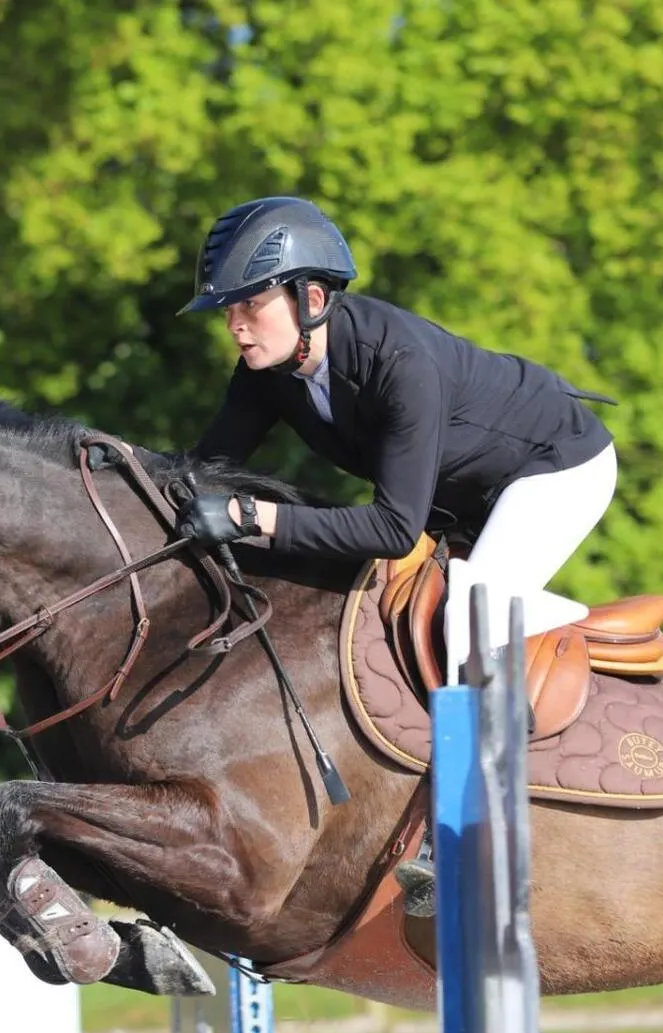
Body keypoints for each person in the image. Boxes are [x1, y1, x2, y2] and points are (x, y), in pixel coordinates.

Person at [176, 196, 618, 914]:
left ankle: (473, 834)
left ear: (311, 297)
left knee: (470, 612)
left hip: (556, 467)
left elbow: (389, 528)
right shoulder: (266, 370)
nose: (234, 324)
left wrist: (254, 517)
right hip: (465, 496)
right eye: (228, 310)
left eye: (249, 305)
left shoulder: (397, 362)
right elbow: (202, 471)